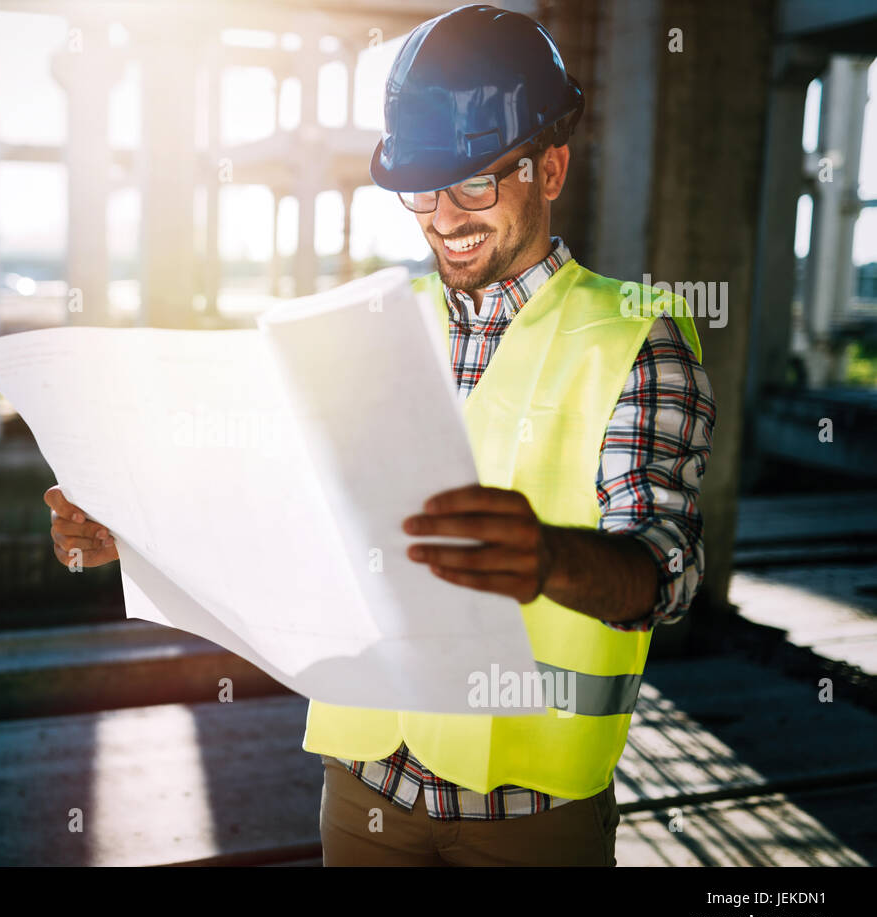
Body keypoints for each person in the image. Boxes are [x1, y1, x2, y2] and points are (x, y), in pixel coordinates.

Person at [44, 3, 715, 866]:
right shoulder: (371, 327)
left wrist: (549, 559)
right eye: (421, 189)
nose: (443, 218)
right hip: (365, 797)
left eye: (474, 183)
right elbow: (292, 518)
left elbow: (670, 566)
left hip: (531, 821)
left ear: (551, 168)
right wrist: (133, 537)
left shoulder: (635, 337)